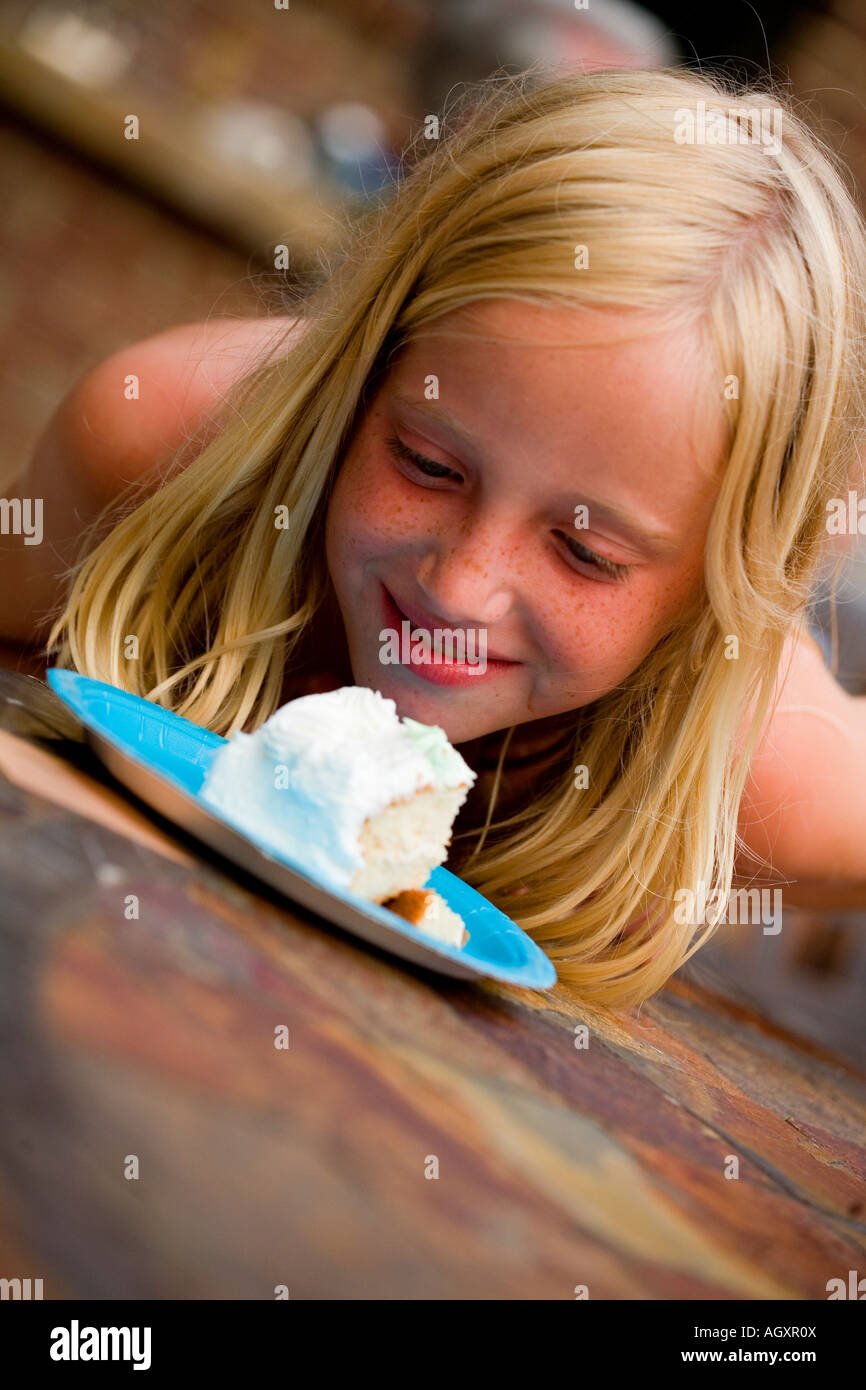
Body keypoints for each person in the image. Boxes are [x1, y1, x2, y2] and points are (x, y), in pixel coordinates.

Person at [3, 66, 866, 1009]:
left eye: (586, 554)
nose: (460, 587)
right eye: (426, 464)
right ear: (361, 372)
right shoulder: (161, 451)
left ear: (709, 600)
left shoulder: (764, 753)